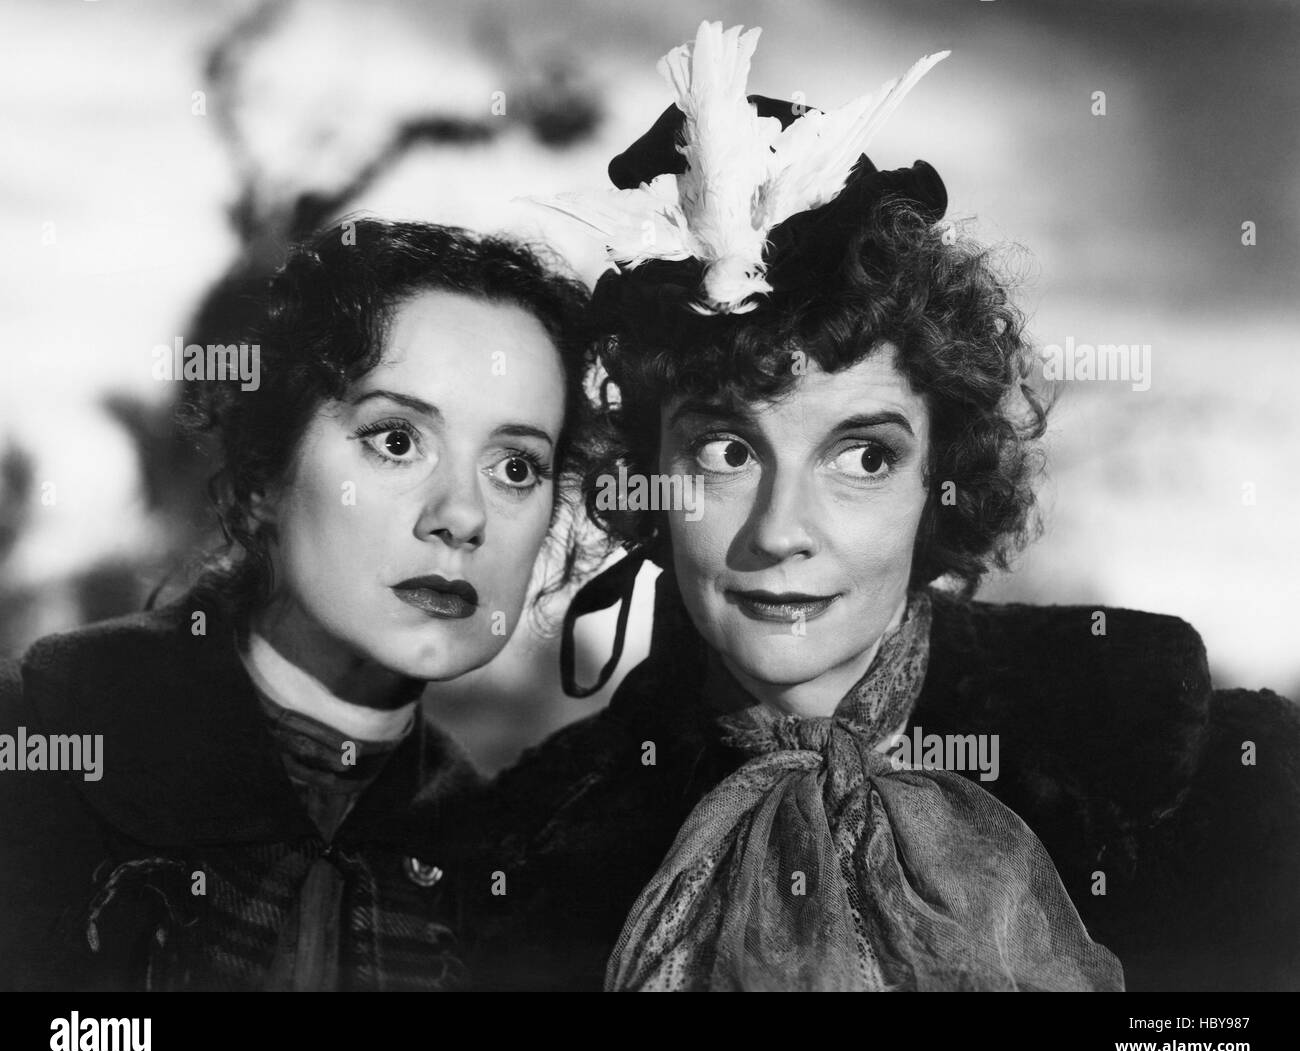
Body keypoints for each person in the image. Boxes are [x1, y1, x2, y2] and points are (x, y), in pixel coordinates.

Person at [461, 23, 1300, 991]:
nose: (780, 532)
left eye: (861, 455)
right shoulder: (529, 855)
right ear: (645, 478)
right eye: (726, 451)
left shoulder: (1188, 764)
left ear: (940, 480)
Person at [0, 218, 598, 991]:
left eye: (517, 466)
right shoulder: (35, 742)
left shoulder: (499, 867)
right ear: (262, 478)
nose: (463, 513)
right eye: (395, 439)